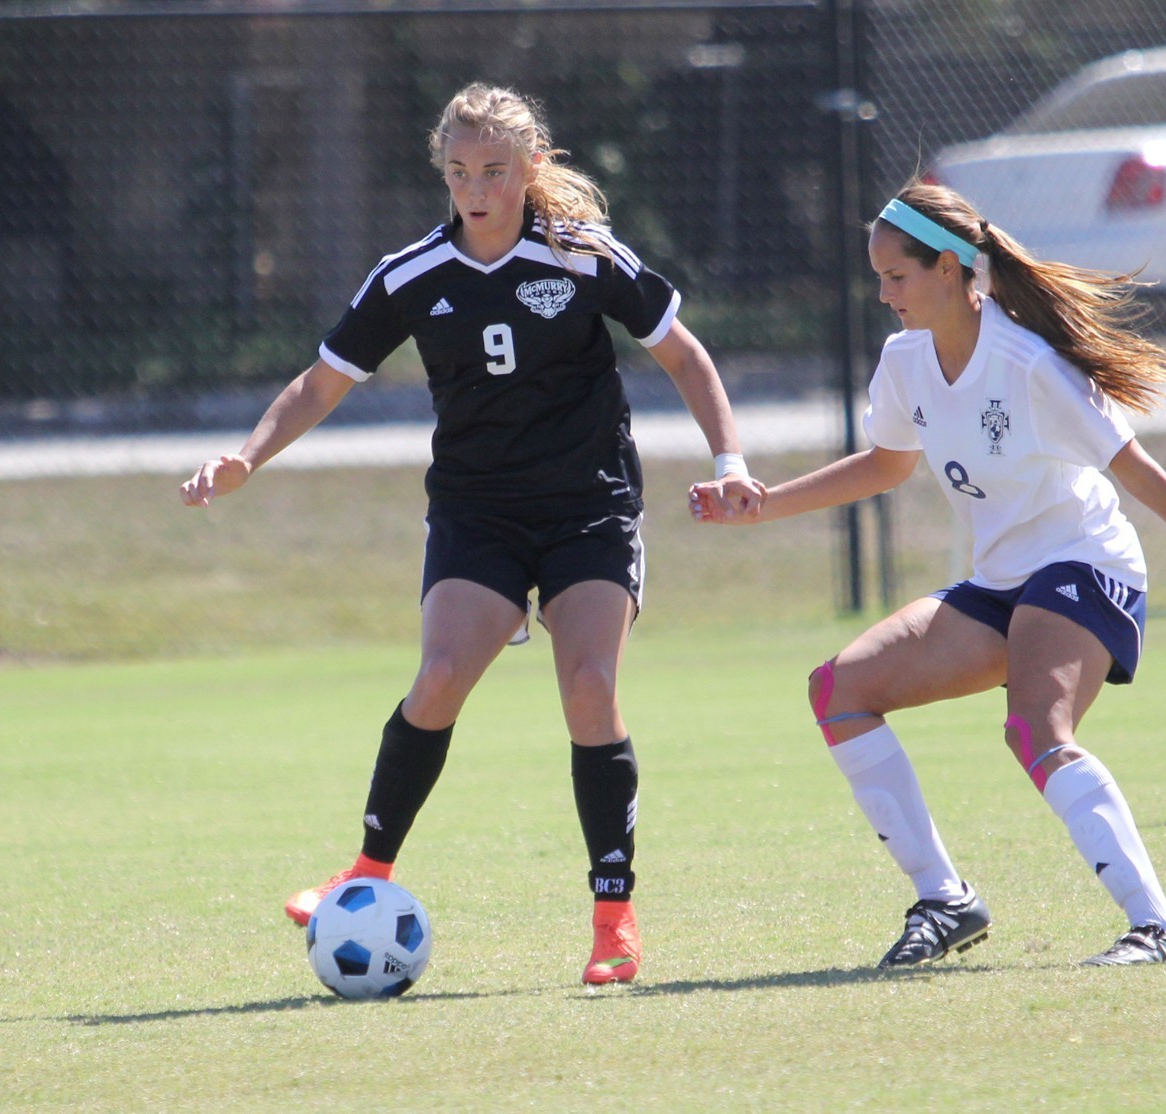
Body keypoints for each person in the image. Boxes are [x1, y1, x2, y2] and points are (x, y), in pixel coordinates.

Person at [181, 83, 759, 985]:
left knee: (590, 687)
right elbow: (321, 382)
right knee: (442, 676)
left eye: (494, 171)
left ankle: (613, 917)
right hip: (477, 512)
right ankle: (364, 873)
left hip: (589, 506)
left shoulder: (580, 254)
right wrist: (245, 460)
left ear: (530, 168)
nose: (476, 189)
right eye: (459, 172)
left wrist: (730, 461)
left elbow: (684, 354)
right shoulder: (409, 275)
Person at [690, 181, 1166, 967]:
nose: (883, 295)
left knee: (1035, 731)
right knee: (838, 690)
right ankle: (945, 899)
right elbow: (887, 465)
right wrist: (763, 507)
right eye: (878, 278)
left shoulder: (1030, 364)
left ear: (949, 267)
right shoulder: (905, 359)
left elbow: (1142, 474)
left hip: (1085, 564)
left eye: (896, 276)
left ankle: (1160, 927)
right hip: (1001, 584)